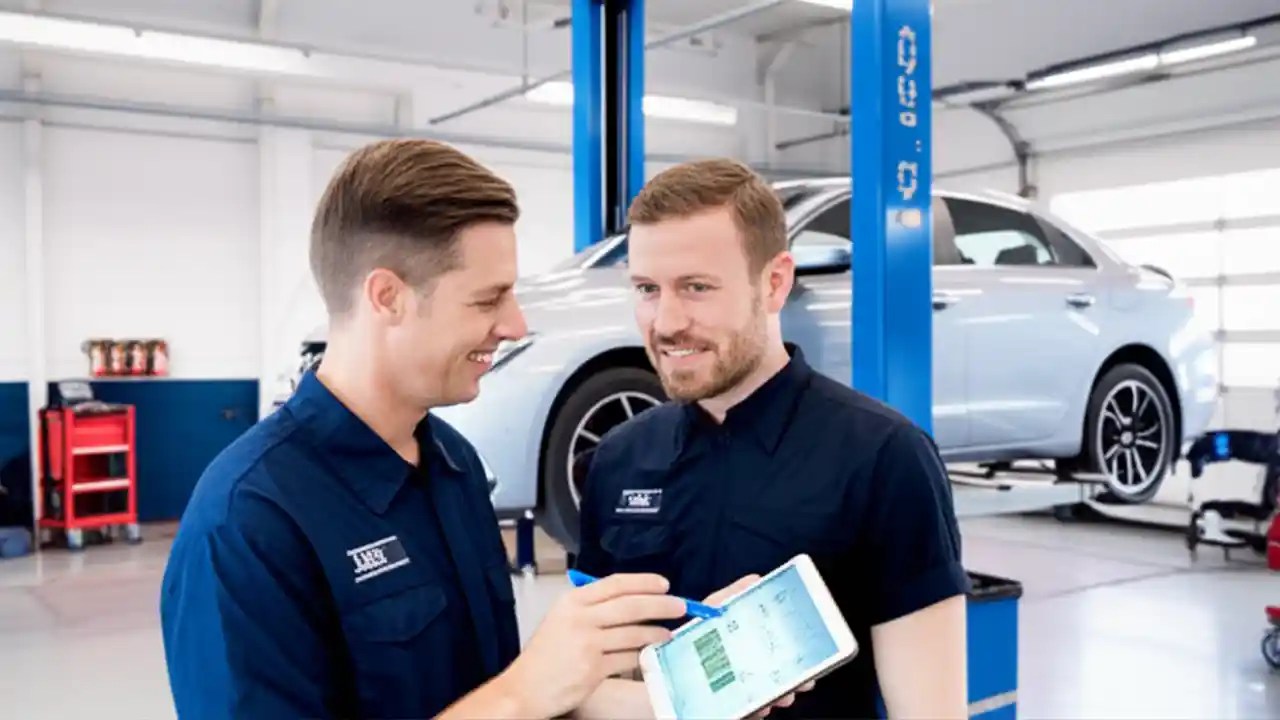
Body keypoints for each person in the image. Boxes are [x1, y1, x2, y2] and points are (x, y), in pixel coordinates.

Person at [159, 139, 777, 720]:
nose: (514, 324)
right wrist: (524, 690)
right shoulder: (249, 523)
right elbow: (510, 699)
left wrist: (690, 678)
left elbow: (492, 694)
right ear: (388, 297)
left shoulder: (452, 465)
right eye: (487, 301)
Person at [575, 158, 971, 719]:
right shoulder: (618, 460)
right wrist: (691, 693)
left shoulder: (884, 457)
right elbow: (580, 690)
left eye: (696, 287)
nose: (665, 321)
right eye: (646, 288)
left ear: (775, 283)